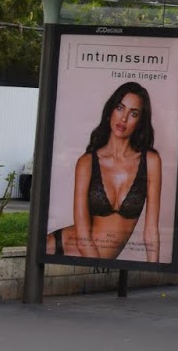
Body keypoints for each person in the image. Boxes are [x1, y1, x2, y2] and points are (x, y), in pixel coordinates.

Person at [49, 82, 163, 262]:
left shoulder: (150, 161)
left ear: (140, 121)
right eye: (120, 108)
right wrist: (97, 267)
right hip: (61, 247)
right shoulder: (87, 162)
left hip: (90, 258)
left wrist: (156, 270)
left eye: (133, 113)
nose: (123, 119)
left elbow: (151, 231)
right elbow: (82, 235)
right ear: (111, 110)